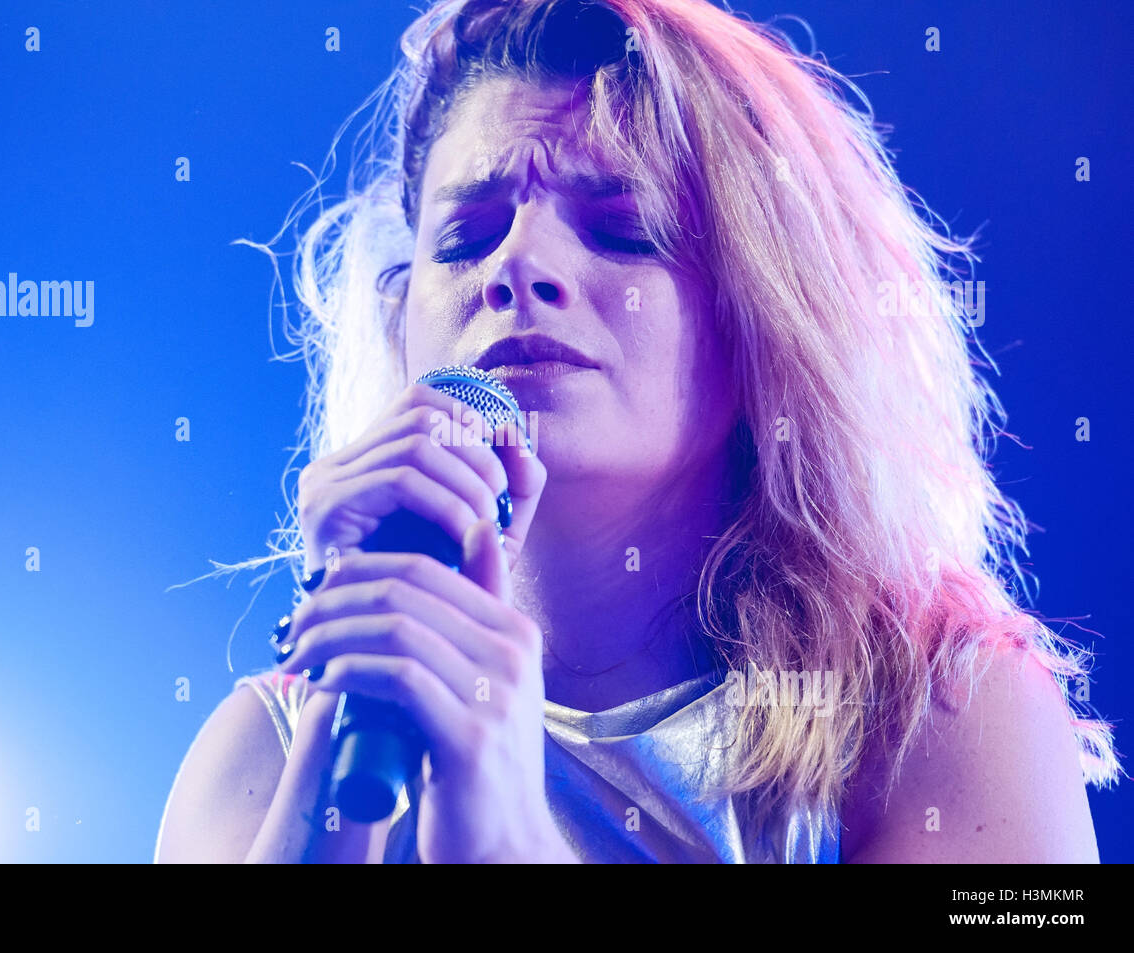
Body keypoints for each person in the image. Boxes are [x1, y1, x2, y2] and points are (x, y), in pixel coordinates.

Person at [154, 0, 1118, 863]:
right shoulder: (263, 751)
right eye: (468, 234)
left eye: (622, 228)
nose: (520, 263)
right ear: (400, 320)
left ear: (757, 317)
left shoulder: (939, 714)